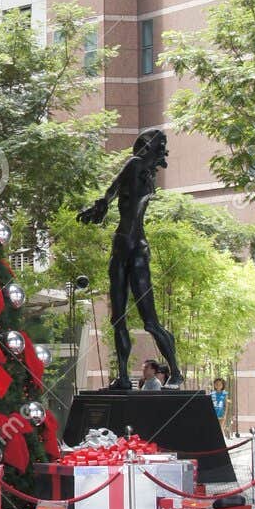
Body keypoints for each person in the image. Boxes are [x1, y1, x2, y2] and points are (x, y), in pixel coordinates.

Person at [76, 128, 182, 390]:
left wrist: (100, 205)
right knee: (121, 319)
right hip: (130, 246)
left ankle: (175, 373)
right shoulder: (145, 175)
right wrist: (101, 205)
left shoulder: (135, 166)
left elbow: (111, 190)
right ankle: (123, 377)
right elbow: (113, 193)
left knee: (148, 321)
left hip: (129, 246)